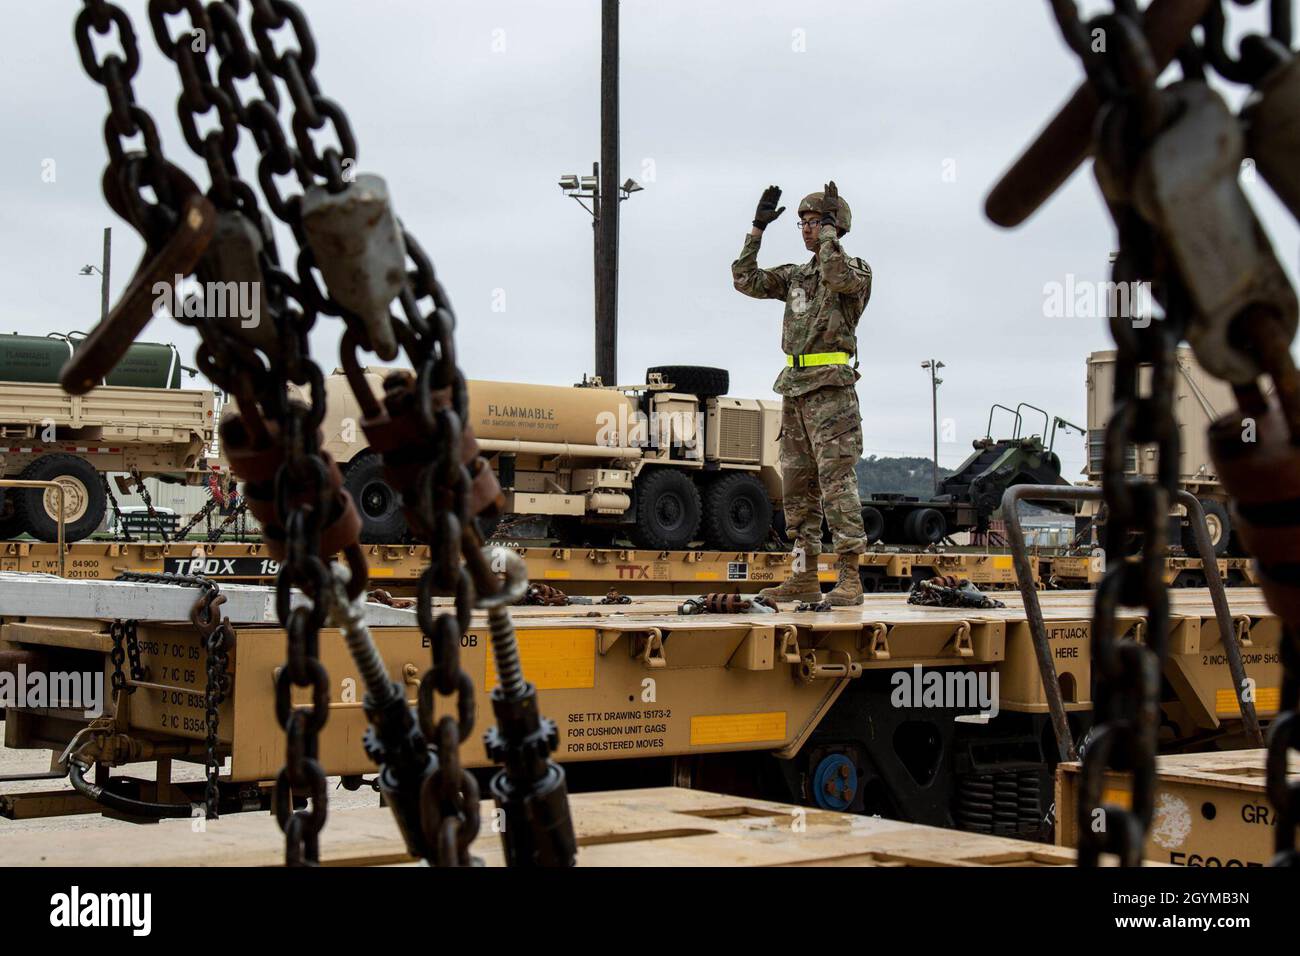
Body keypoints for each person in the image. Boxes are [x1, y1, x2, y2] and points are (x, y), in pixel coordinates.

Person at [731, 182, 872, 605]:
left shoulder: (854, 271)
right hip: (795, 389)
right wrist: (757, 229)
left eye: (815, 223)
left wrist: (830, 235)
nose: (807, 230)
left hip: (831, 390)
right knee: (797, 487)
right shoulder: (797, 275)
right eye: (804, 223)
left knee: (836, 483)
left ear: (835, 227)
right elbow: (746, 280)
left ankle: (850, 579)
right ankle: (803, 575)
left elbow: (835, 273)